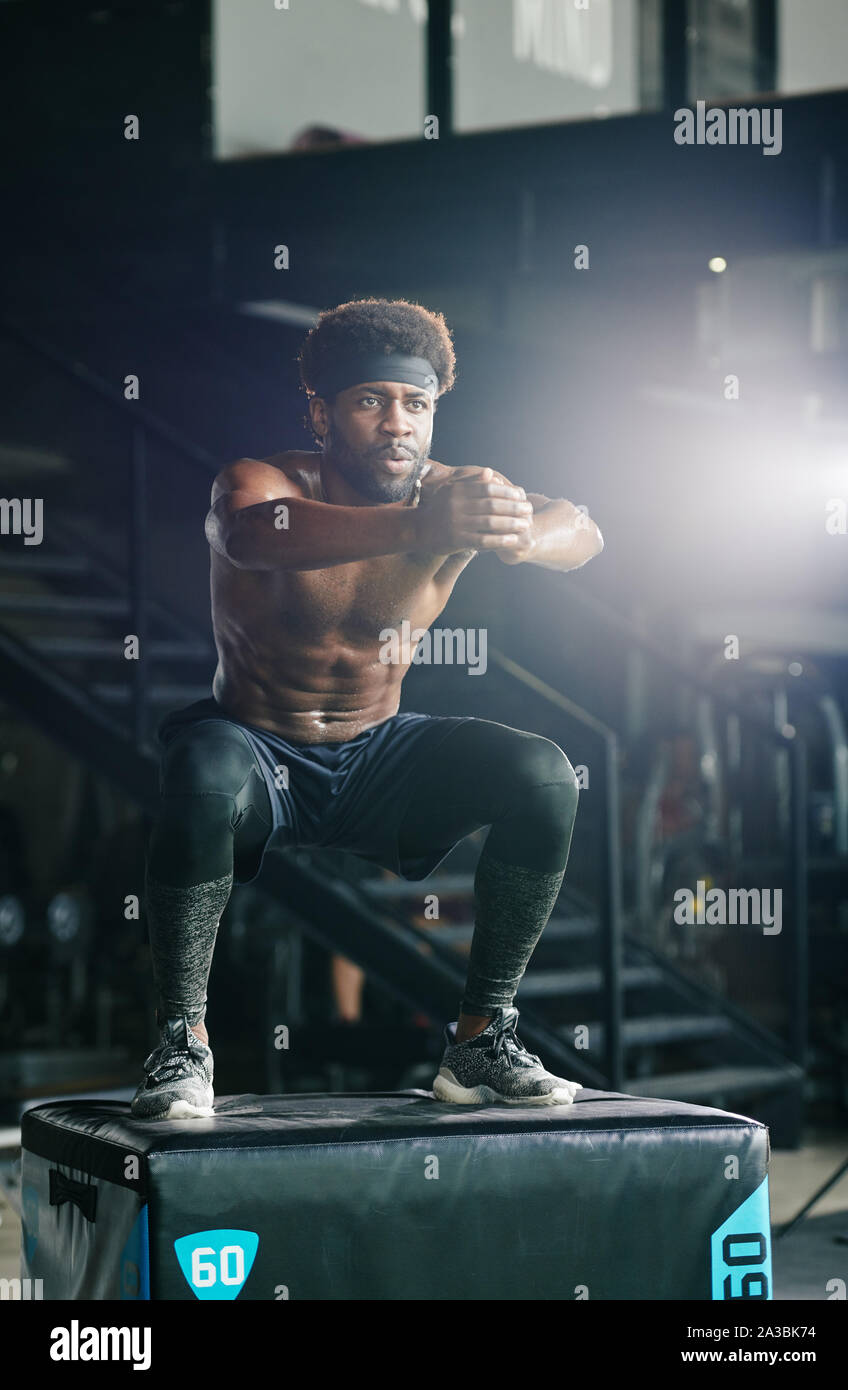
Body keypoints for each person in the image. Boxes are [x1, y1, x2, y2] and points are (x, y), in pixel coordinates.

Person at [131, 298, 603, 1119]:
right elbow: (252, 533)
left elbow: (584, 529)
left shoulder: (452, 494)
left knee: (542, 773)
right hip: (256, 750)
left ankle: (480, 1041)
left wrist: (523, 535)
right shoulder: (264, 482)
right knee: (201, 771)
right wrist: (417, 521)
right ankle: (182, 1043)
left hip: (376, 756)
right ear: (321, 410)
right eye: (370, 401)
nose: (397, 425)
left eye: (416, 405)